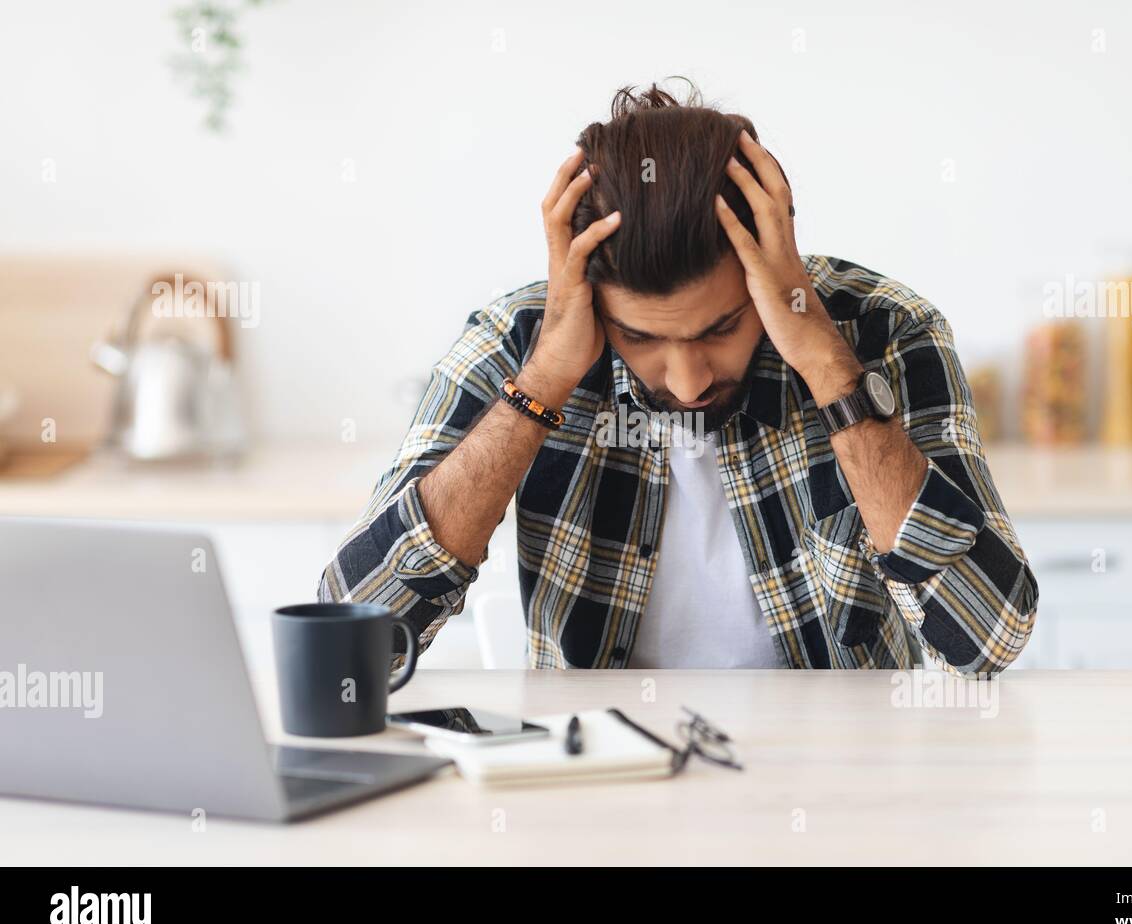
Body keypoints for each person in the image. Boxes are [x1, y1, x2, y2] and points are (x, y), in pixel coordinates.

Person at [319, 79, 1038, 673]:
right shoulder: (520, 343)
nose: (689, 381)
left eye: (722, 328)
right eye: (641, 337)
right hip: (600, 802)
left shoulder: (885, 331)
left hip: (841, 798)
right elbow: (351, 647)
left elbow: (990, 641)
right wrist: (540, 388)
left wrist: (827, 366)